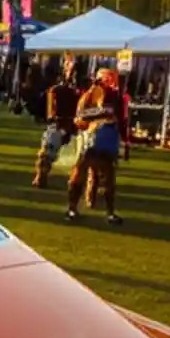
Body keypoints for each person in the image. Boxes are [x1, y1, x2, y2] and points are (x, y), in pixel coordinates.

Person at [67, 69, 124, 225]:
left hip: (107, 138)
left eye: (112, 78)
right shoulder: (91, 94)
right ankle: (72, 208)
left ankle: (110, 213)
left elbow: (120, 118)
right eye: (107, 78)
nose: (111, 81)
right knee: (79, 174)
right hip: (90, 137)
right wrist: (101, 114)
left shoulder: (116, 96)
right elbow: (80, 116)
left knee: (108, 177)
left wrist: (123, 139)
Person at [33, 67, 81, 188]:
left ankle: (40, 177)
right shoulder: (69, 92)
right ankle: (40, 177)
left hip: (60, 125)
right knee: (46, 154)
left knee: (45, 154)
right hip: (67, 126)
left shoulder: (54, 91)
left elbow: (46, 109)